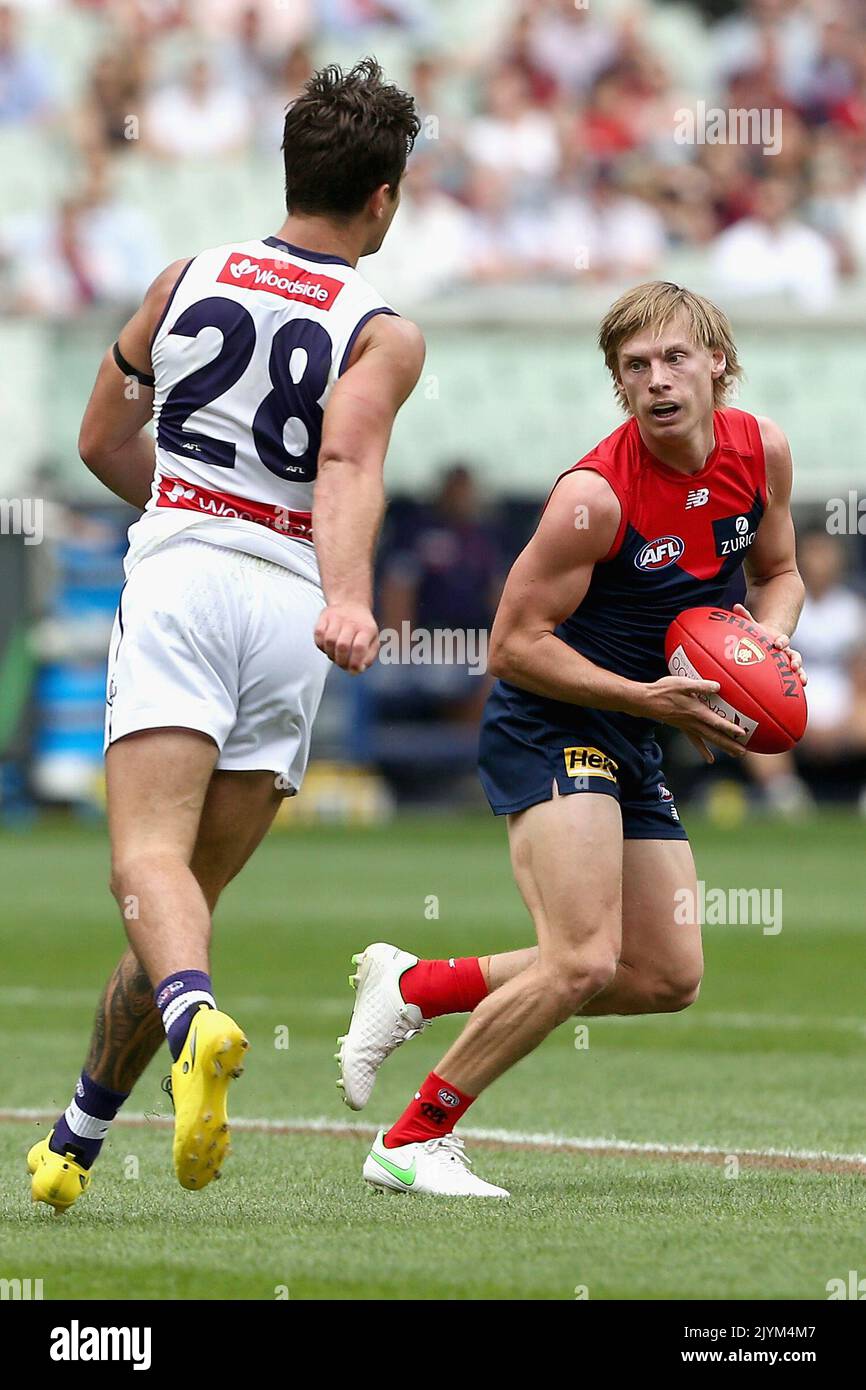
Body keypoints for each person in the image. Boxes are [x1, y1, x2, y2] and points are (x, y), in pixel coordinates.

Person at [27, 59, 424, 1213]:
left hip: (186, 574)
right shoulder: (383, 330)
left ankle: (196, 1020)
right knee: (184, 902)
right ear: (383, 199)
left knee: (148, 877)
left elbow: (105, 437)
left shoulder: (185, 275)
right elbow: (348, 459)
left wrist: (185, 506)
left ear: (289, 169)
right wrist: (346, 593)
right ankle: (79, 1134)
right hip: (293, 608)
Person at [338, 280, 807, 1198]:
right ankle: (412, 1140)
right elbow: (509, 647)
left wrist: (769, 638)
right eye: (636, 367)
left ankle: (415, 987)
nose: (659, 380)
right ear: (619, 387)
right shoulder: (594, 496)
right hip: (552, 720)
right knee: (583, 957)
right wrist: (649, 698)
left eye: (676, 358)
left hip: (640, 722)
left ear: (718, 362)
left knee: (664, 976)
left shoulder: (763, 451)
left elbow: (781, 572)